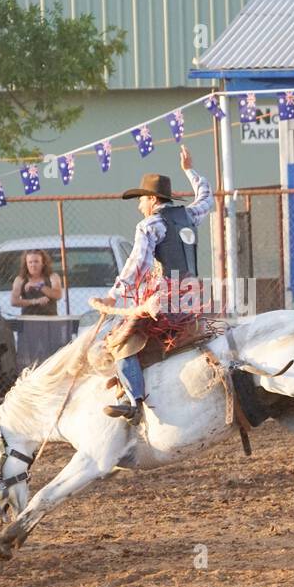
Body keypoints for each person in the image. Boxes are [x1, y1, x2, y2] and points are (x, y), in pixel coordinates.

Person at [92, 144, 213, 424]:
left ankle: (133, 402)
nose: (138, 205)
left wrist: (114, 295)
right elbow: (206, 195)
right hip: (194, 298)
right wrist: (189, 170)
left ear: (151, 198)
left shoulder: (149, 226)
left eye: (140, 199)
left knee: (118, 341)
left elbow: (139, 263)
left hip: (167, 302)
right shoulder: (190, 214)